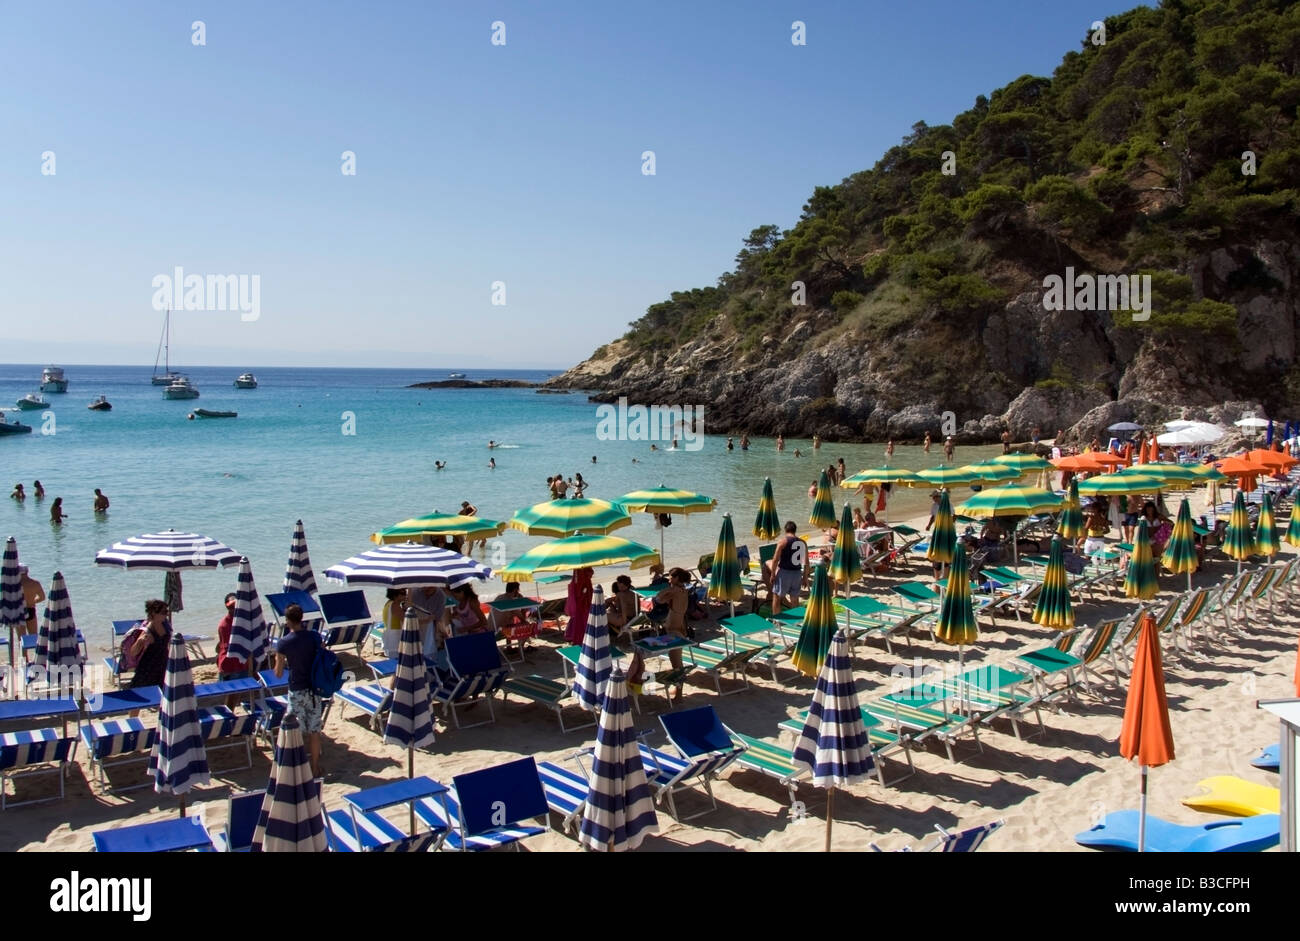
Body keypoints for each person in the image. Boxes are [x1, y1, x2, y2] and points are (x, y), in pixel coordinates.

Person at [274, 604, 324, 778]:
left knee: (295, 731)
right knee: (314, 730)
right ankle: (315, 767)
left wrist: (278, 658)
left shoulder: (284, 643)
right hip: (314, 689)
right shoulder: (314, 637)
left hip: (297, 689)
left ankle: (300, 768)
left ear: (287, 621)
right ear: (302, 618)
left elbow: (278, 674)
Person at [653, 568, 693, 702]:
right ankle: (678, 690)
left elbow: (658, 598)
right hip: (680, 627)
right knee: (677, 663)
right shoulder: (683, 590)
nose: (669, 579)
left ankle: (679, 696)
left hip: (674, 630)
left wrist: (667, 590)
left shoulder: (674, 590)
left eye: (671, 577)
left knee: (676, 664)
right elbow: (663, 600)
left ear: (677, 578)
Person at [129, 599, 172, 689]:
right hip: (149, 668)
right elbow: (133, 653)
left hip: (163, 664)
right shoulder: (147, 631)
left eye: (167, 611)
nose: (167, 614)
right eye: (164, 612)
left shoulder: (165, 624)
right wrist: (139, 641)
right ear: (154, 613)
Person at [215, 592, 248, 707]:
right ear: (227, 607)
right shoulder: (224, 625)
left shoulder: (242, 621)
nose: (234, 609)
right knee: (230, 696)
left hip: (239, 663)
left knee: (237, 695)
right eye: (231, 607)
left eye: (236, 606)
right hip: (229, 664)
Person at [768, 522, 807, 616]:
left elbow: (775, 559)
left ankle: (776, 620)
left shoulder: (783, 542)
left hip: (784, 573)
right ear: (795, 530)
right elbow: (806, 562)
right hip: (797, 573)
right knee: (795, 599)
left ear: (785, 530)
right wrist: (805, 577)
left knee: (777, 597)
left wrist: (773, 574)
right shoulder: (803, 542)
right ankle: (796, 620)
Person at [19, 566, 45, 636]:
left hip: (18, 611)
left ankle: (20, 647)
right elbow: (42, 597)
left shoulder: (14, 585)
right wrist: (32, 601)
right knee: (33, 636)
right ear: (27, 572)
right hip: (30, 609)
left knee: (21, 638)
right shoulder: (35, 583)